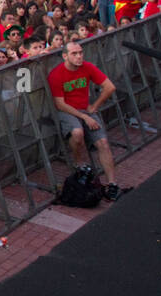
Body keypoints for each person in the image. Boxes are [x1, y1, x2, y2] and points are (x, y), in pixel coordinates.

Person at [48, 41, 123, 201]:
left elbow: (110, 87)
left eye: (80, 52)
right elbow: (60, 104)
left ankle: (112, 183)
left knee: (103, 143)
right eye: (74, 53)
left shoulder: (87, 67)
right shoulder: (56, 74)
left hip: (85, 109)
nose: (79, 56)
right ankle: (79, 163)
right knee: (77, 132)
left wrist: (94, 106)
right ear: (65, 56)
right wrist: (85, 117)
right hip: (67, 110)